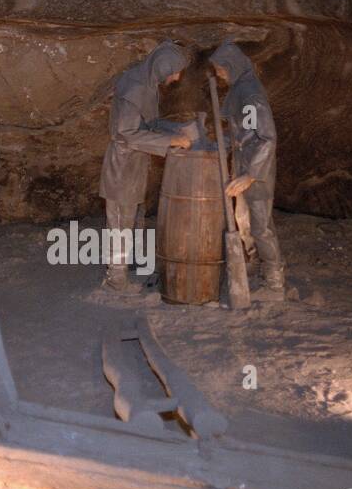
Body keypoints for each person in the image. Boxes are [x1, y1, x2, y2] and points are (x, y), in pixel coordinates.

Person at [98, 40, 198, 292]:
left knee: (134, 217)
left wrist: (178, 129)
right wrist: (171, 140)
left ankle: (128, 264)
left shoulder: (147, 83)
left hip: (135, 163)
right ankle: (116, 279)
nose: (176, 78)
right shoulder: (134, 87)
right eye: (175, 71)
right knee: (121, 221)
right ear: (163, 66)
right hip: (123, 164)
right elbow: (127, 133)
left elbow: (148, 126)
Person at [209, 40, 285, 300]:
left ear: (232, 66)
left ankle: (275, 283)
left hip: (257, 172)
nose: (218, 74)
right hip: (244, 168)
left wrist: (250, 175)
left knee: (261, 226)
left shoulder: (250, 94)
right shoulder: (240, 89)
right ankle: (255, 264)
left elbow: (266, 137)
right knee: (244, 220)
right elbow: (244, 134)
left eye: (220, 69)